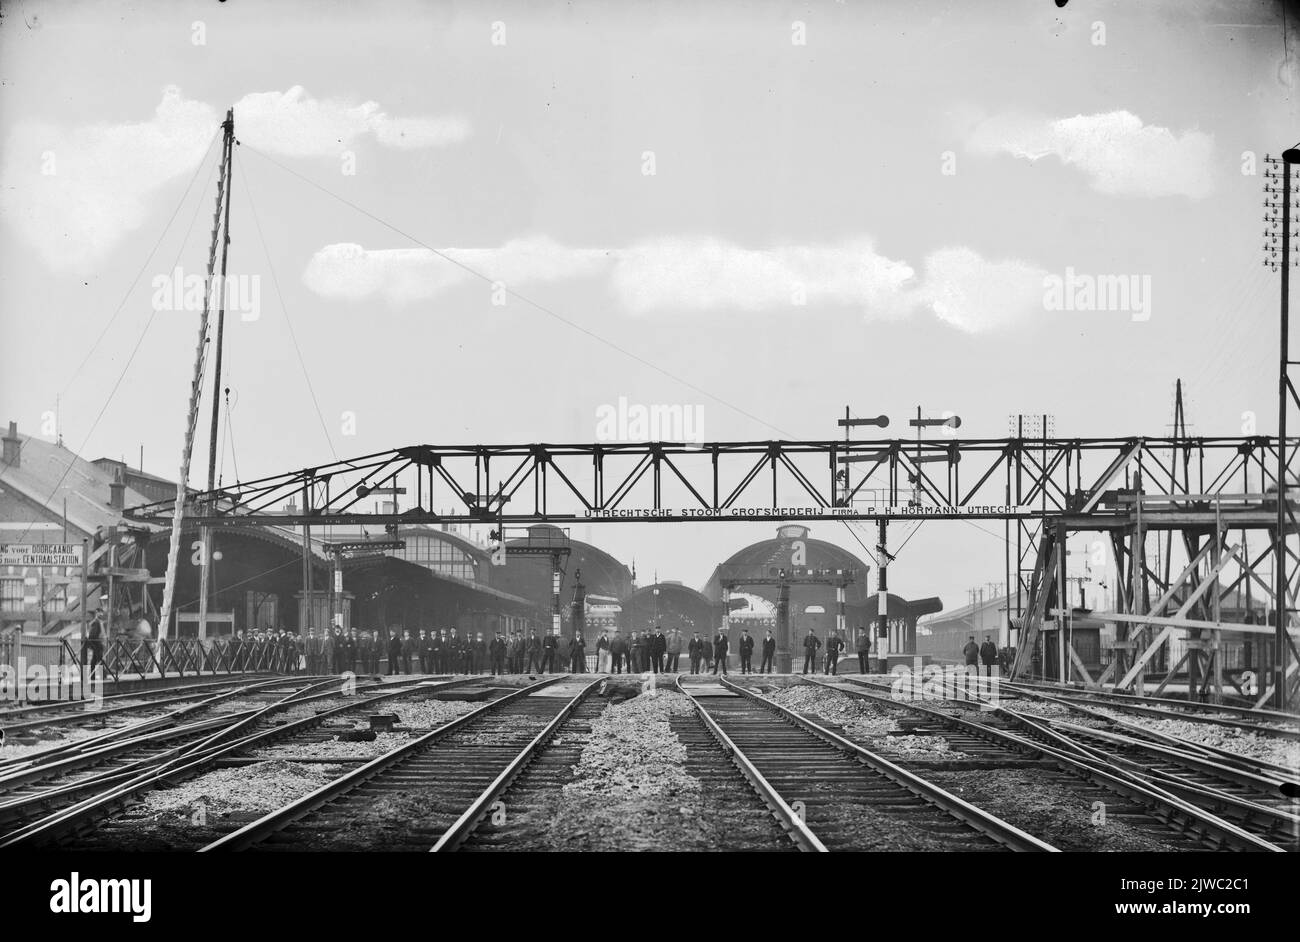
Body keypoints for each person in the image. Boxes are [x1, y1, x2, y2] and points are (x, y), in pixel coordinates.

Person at [83, 610, 105, 676]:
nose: (101, 614)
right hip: (97, 643)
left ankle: (93, 676)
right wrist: (97, 642)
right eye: (100, 613)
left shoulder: (97, 622)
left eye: (102, 613)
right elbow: (93, 635)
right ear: (97, 613)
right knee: (100, 659)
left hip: (96, 643)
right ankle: (102, 675)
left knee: (95, 660)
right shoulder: (96, 622)